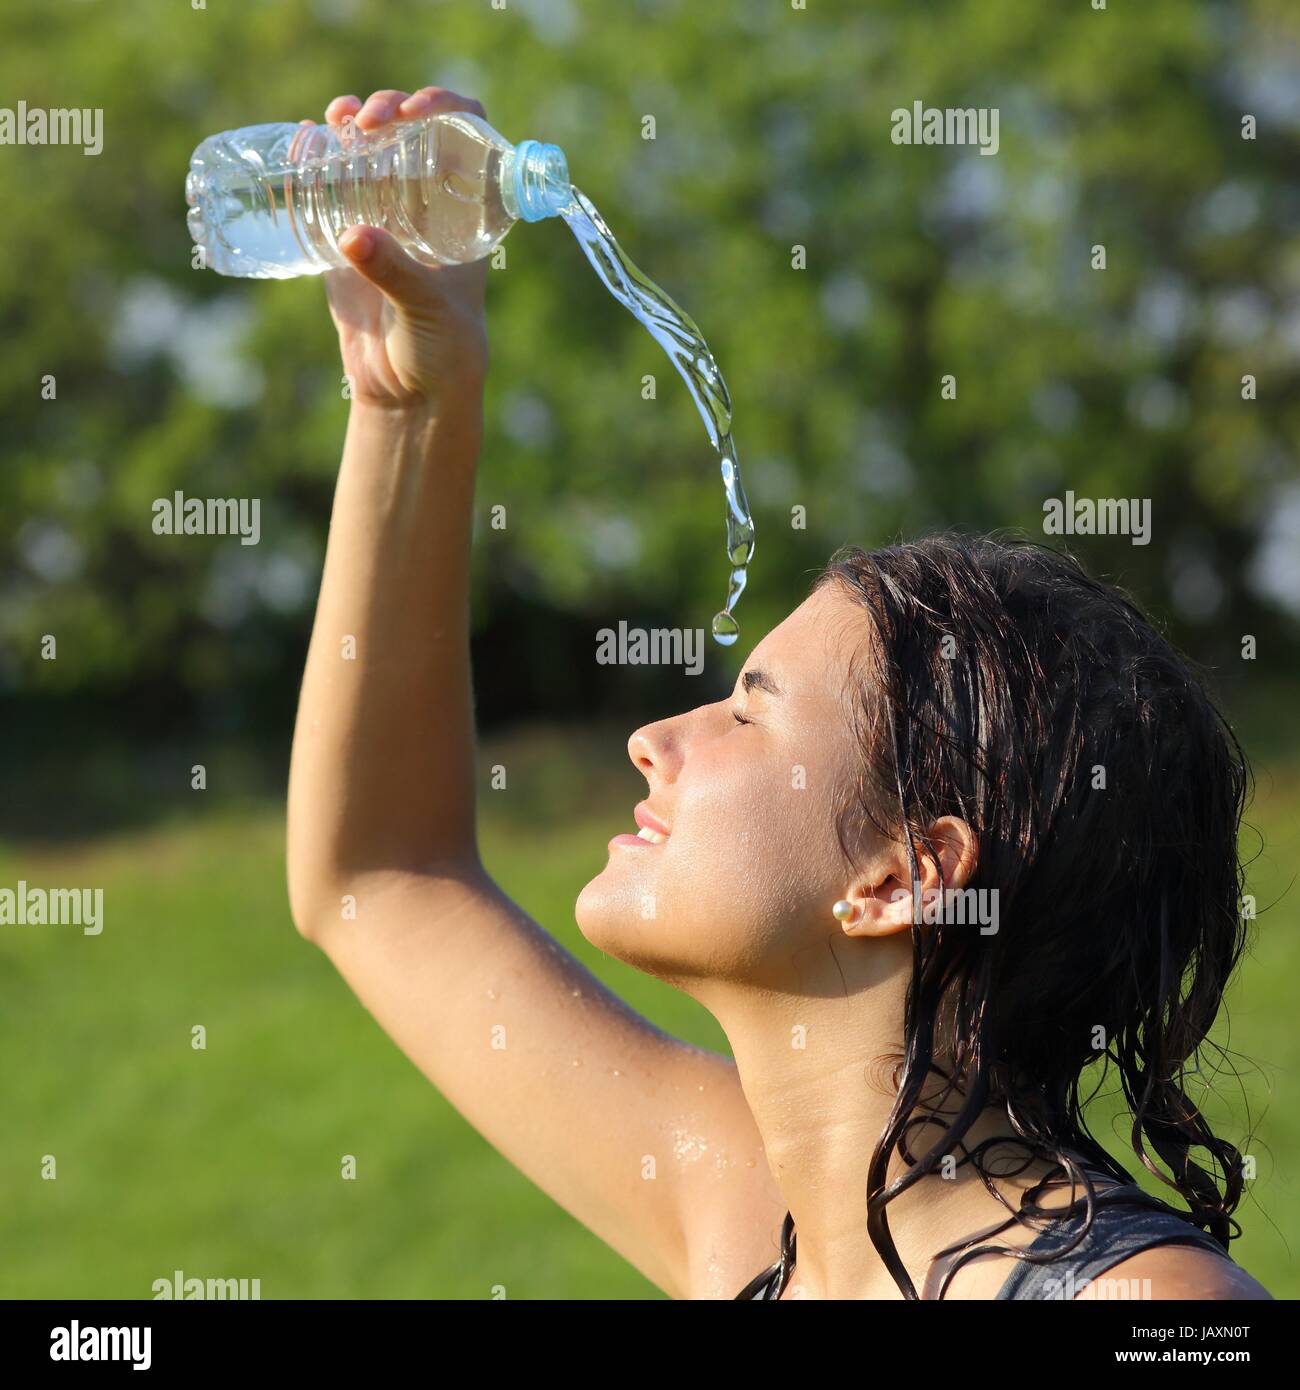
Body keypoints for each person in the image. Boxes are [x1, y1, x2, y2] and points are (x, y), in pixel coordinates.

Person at [285, 84, 1273, 1302]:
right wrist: (406, 403)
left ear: (904, 873)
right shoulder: (744, 1208)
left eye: (748, 712)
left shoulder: (1151, 1303)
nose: (654, 739)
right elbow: (381, 875)